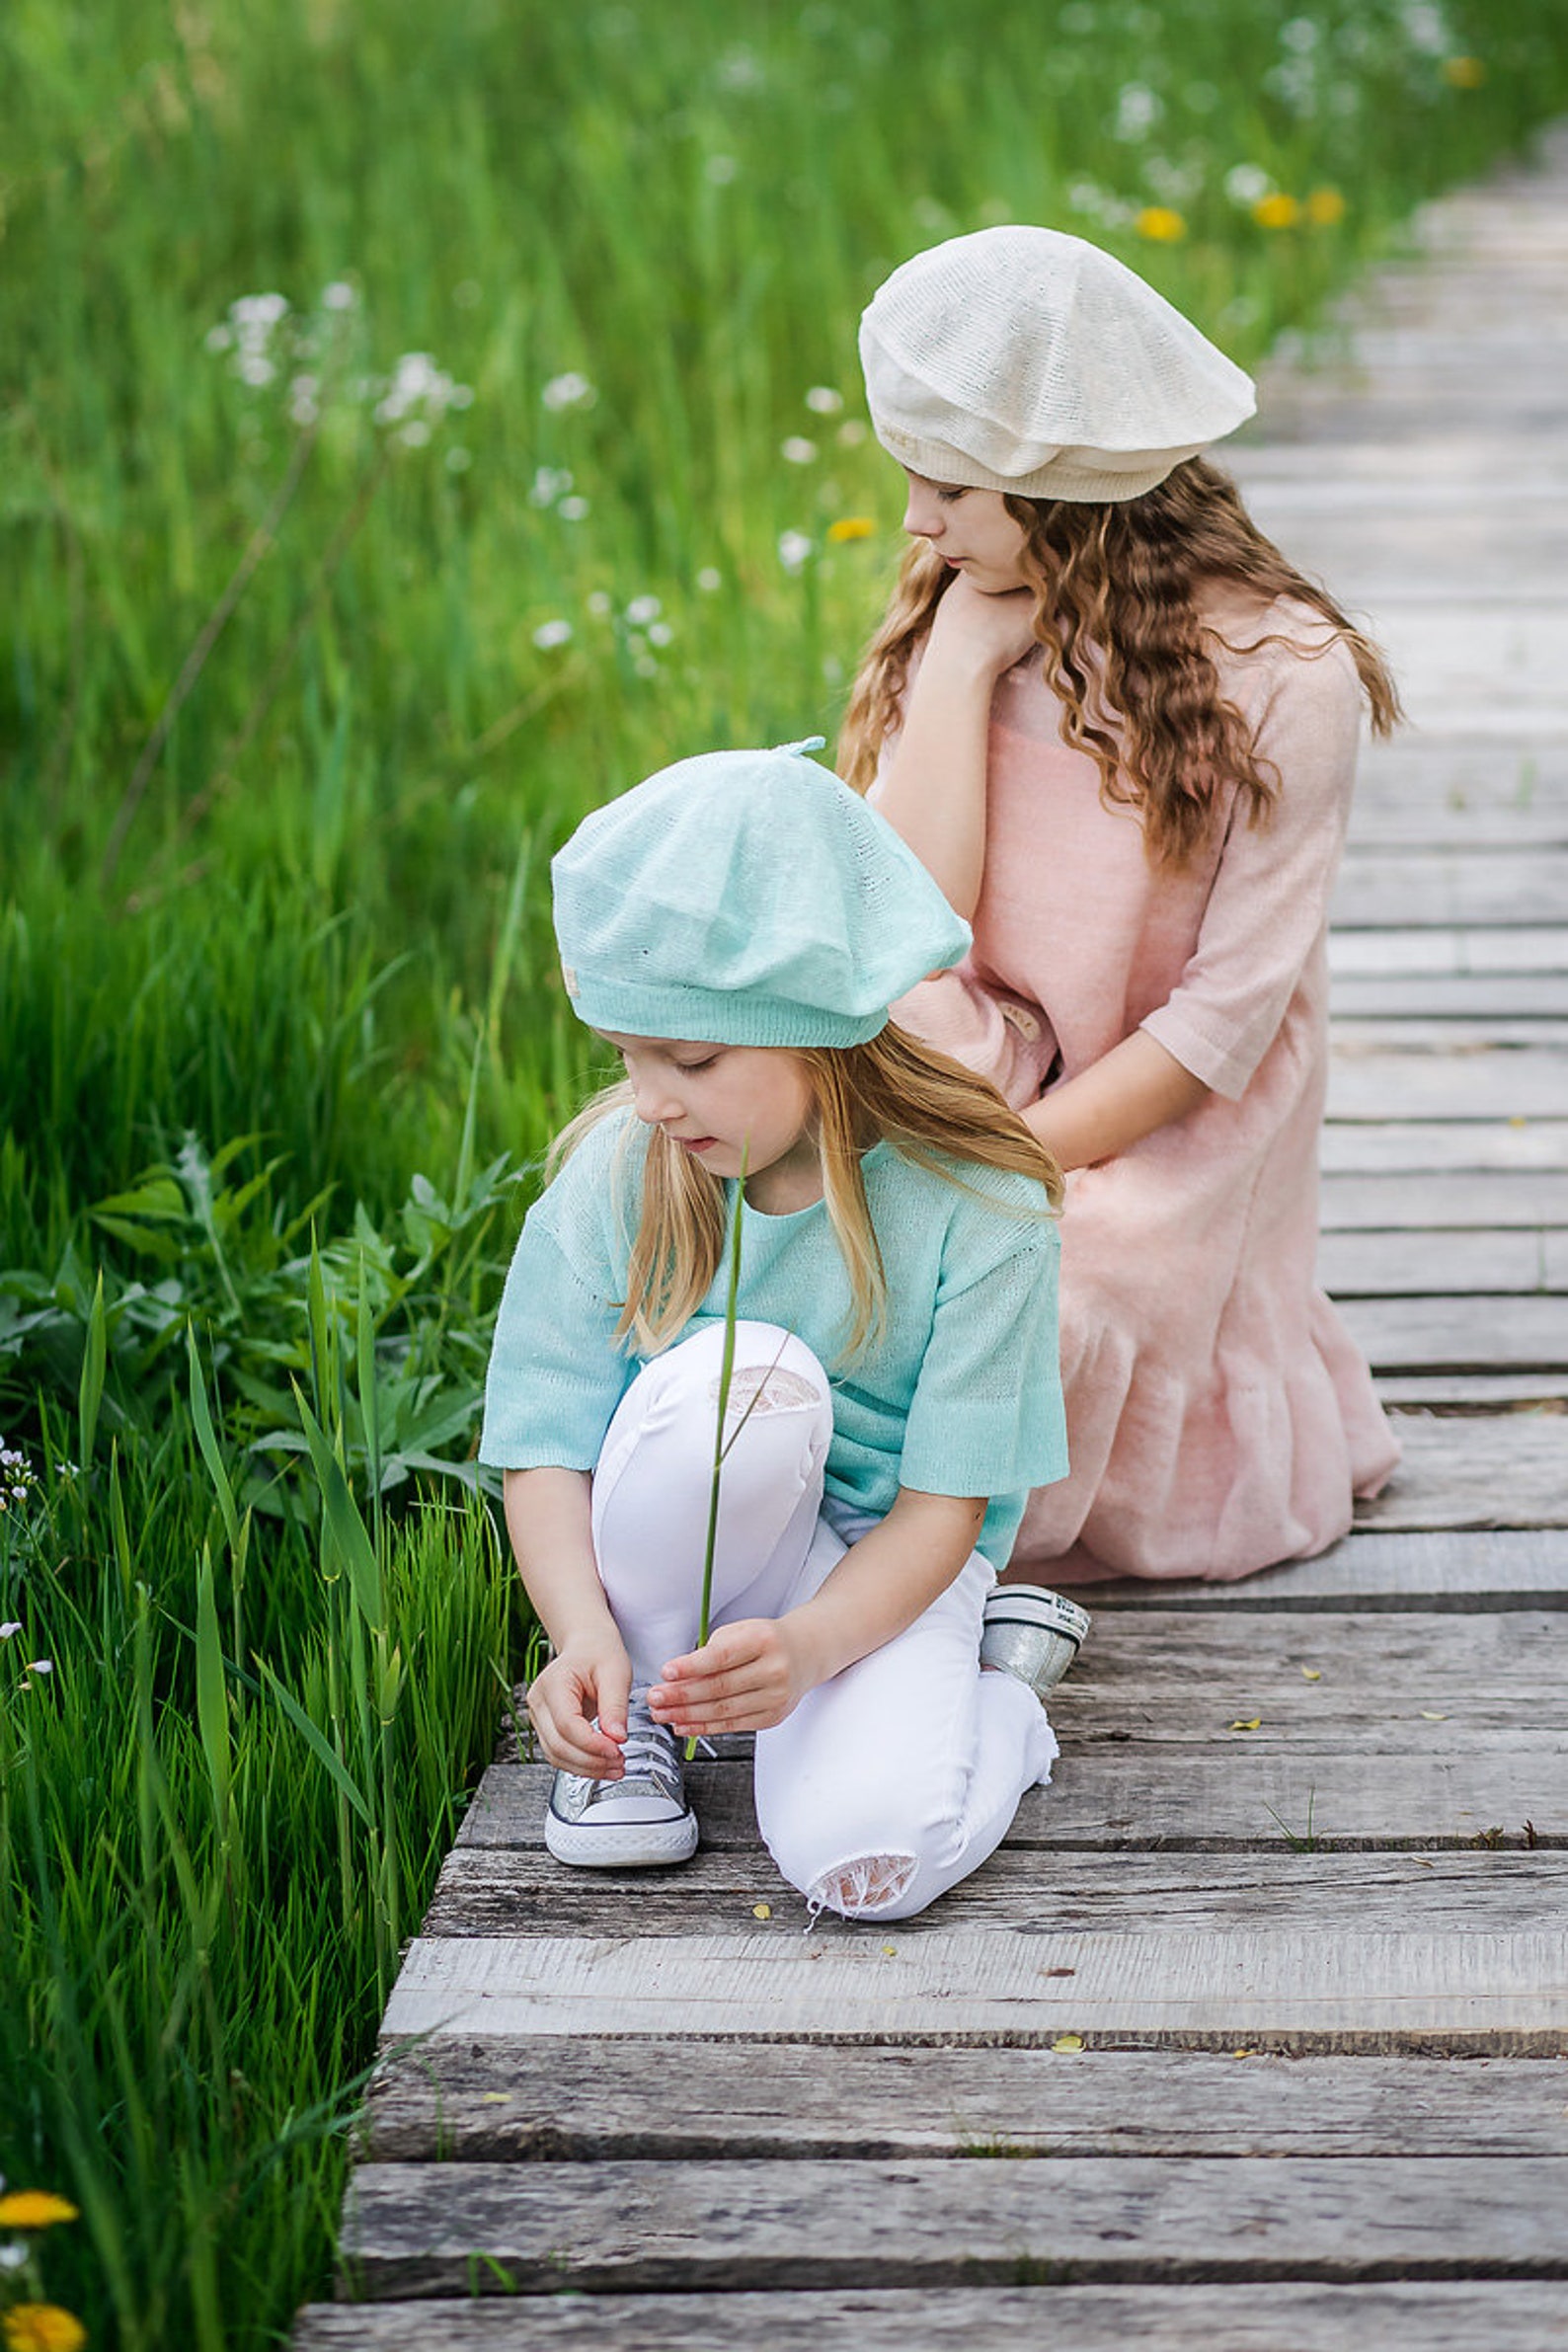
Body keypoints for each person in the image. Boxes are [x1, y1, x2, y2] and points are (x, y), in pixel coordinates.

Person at [838, 226, 1401, 1584]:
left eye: (950, 487)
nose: (916, 520)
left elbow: (1223, 1020)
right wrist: (965, 663)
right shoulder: (971, 594)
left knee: (1050, 1288)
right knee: (807, 1215)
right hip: (982, 1041)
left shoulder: (1282, 672)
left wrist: (1011, 1165)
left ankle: (908, 1562)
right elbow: (901, 925)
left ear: (1069, 494)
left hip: (1165, 1105)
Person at [479, 739, 1089, 1923]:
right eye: (627, 1054)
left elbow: (940, 1511)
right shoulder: (629, 1172)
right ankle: (640, 1709)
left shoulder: (982, 1208)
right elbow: (546, 1440)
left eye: (692, 1058)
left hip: (888, 1563)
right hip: (697, 1528)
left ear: (815, 1026)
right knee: (743, 1381)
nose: (649, 1099)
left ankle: (999, 1704)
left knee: (869, 1871)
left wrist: (809, 1650)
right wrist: (579, 1633)